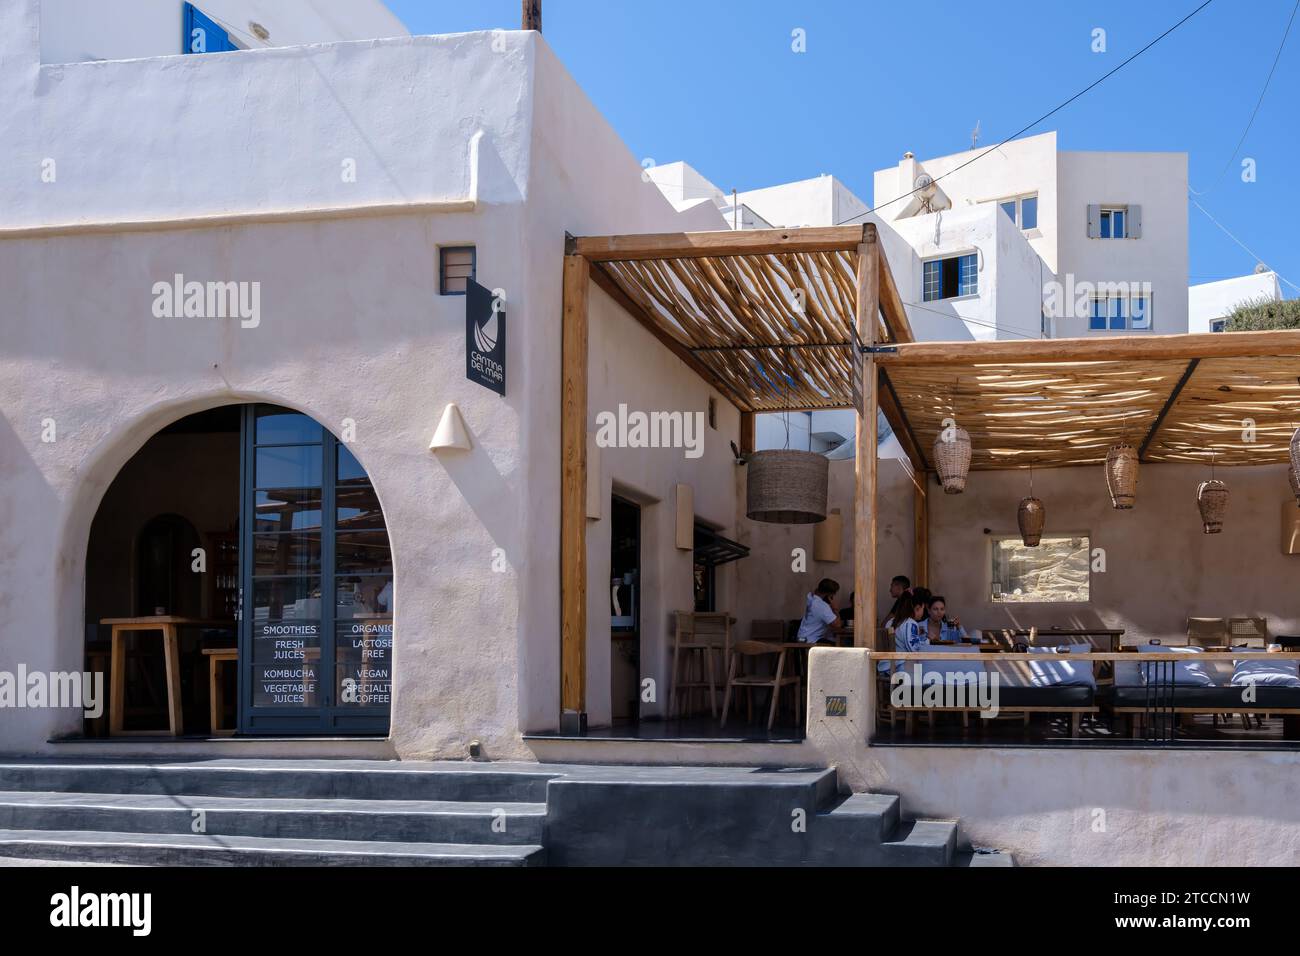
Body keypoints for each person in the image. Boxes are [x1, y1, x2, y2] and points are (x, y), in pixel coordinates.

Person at [797, 578, 842, 645]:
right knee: (839, 645)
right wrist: (835, 609)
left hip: (802, 638)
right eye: (833, 594)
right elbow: (837, 625)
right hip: (810, 640)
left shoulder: (812, 598)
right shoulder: (822, 606)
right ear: (829, 595)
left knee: (831, 640)